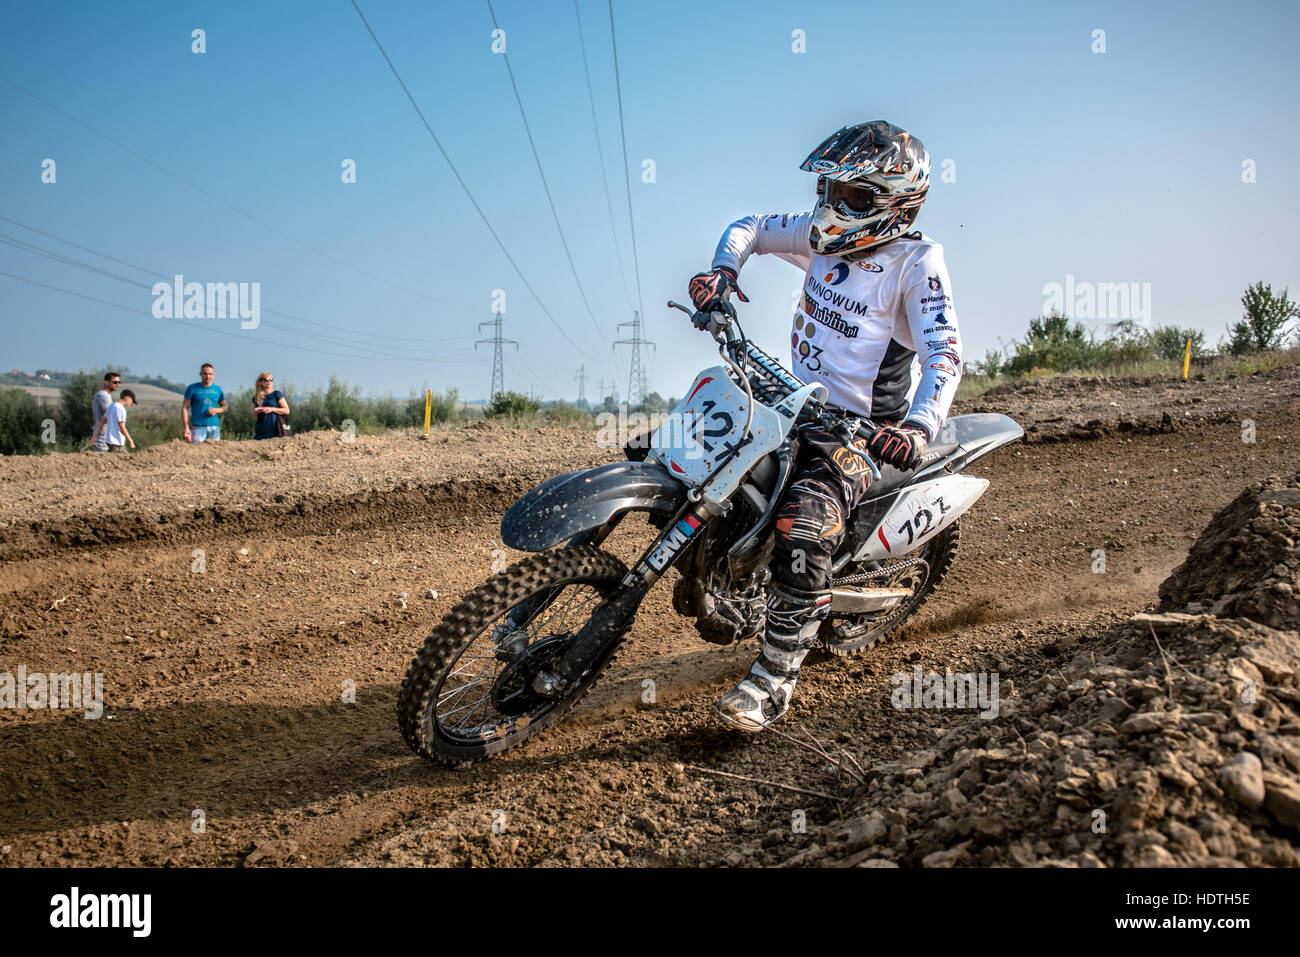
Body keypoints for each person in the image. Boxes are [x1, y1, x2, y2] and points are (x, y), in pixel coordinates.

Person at [686, 120, 963, 731]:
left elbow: (945, 353)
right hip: (791, 400)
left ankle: (774, 678)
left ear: (898, 203)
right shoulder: (821, 234)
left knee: (804, 524)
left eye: (855, 198)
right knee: (687, 450)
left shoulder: (916, 264)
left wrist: (917, 426)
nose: (834, 208)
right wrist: (722, 273)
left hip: (860, 432)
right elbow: (751, 226)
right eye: (829, 189)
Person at [182, 363, 226, 443]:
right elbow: (185, 407)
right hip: (198, 427)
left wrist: (216, 410)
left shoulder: (218, 389)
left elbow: (225, 407)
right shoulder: (192, 388)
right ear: (200, 374)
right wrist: (186, 426)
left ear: (213, 375)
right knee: (197, 452)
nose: (207, 376)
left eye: (210, 374)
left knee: (215, 452)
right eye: (205, 374)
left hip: (214, 427)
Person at [251, 371, 290, 439]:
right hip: (261, 428)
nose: (269, 382)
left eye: (271, 379)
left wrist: (272, 409)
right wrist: (259, 410)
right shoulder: (257, 397)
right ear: (260, 382)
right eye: (266, 380)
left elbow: (286, 410)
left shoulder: (276, 394)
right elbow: (254, 413)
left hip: (275, 428)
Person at [91, 371, 120, 452]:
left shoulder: (99, 394)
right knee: (102, 454)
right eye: (114, 382)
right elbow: (107, 415)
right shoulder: (104, 396)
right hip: (104, 431)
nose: (117, 384)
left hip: (101, 430)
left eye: (119, 382)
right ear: (106, 382)